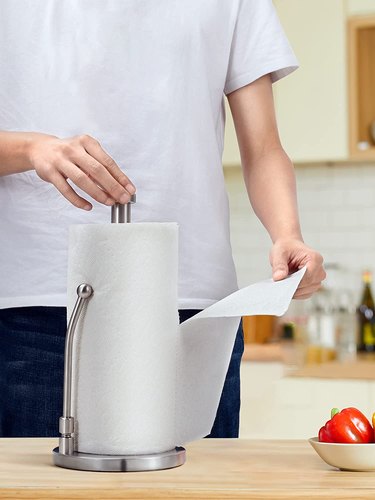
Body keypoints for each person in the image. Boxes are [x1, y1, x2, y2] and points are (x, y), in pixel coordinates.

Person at [0, 0, 325, 438]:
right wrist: (31, 149)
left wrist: (287, 233)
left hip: (194, 314)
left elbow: (264, 146)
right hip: (37, 309)